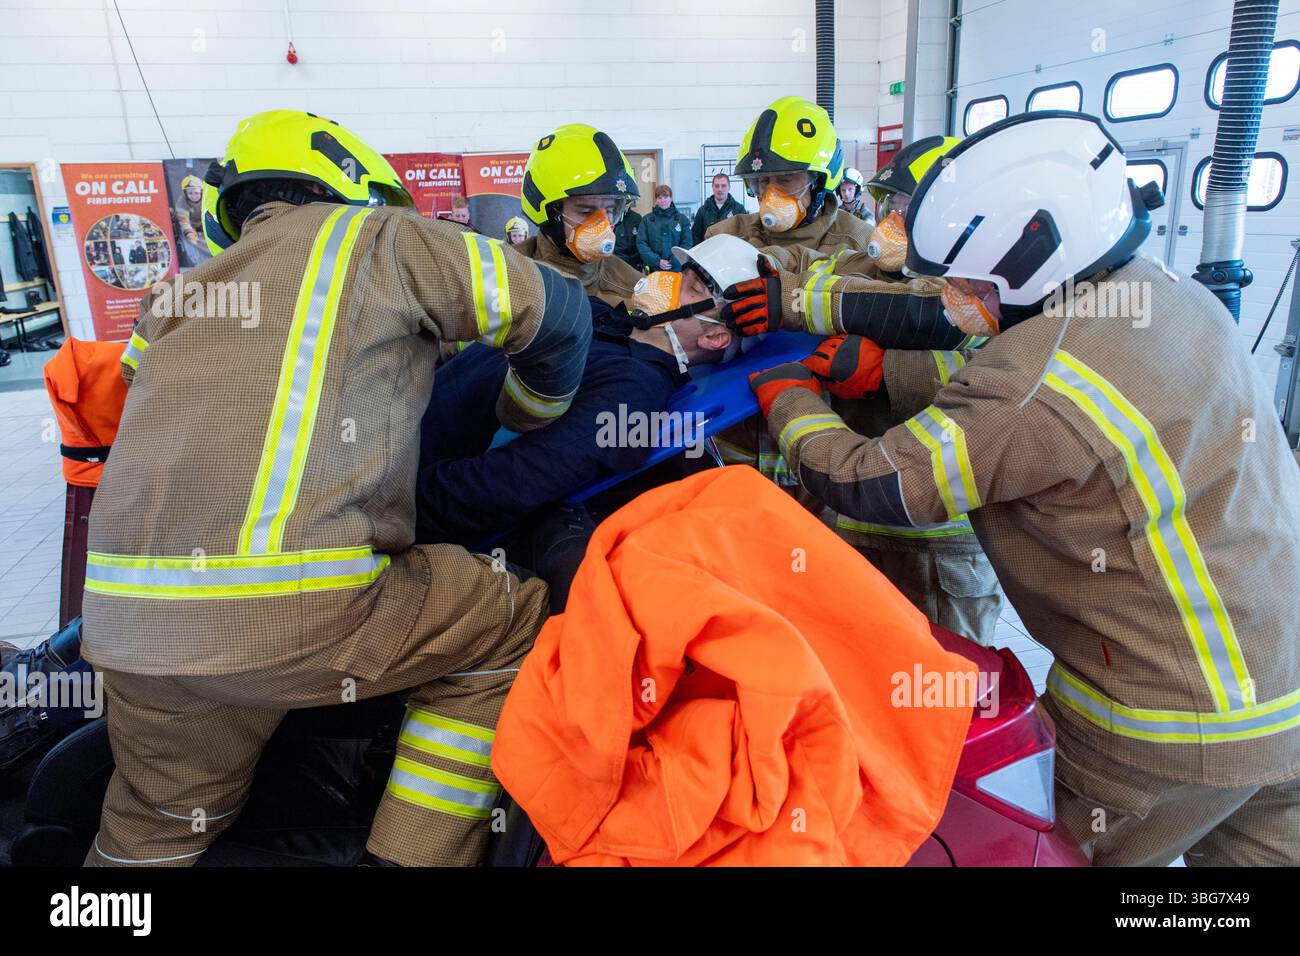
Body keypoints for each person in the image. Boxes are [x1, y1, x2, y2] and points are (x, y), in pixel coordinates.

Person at [735, 110, 1300, 867]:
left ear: (1035, 262)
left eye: (970, 283)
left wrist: (786, 398)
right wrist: (808, 310)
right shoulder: (1164, 292)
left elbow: (871, 483)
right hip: (1283, 689)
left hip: (1166, 724)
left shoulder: (1036, 373)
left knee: (1047, 854)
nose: (957, 298)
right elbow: (952, 326)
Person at [79, 109, 591, 868]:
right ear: (358, 186)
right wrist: (524, 412)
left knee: (161, 821)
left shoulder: (179, 296)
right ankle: (412, 854)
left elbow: (173, 399)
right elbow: (559, 313)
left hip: (128, 626)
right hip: (300, 608)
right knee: (508, 615)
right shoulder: (378, 236)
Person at [715, 135, 1004, 646]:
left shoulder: (995, 294)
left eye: (911, 210)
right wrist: (751, 267)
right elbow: (809, 266)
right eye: (890, 204)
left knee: (941, 682)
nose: (892, 221)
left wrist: (888, 371)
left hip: (937, 544)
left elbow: (995, 384)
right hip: (850, 520)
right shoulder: (867, 266)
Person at [417, 234, 758, 577]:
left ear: (713, 337)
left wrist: (397, 496)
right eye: (684, 273)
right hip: (394, 424)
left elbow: (505, 484)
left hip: (400, 477)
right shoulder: (601, 317)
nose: (667, 280)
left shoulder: (632, 396)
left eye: (695, 289)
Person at [707, 96, 871, 256]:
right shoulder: (728, 238)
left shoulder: (859, 242)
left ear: (819, 182)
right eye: (762, 181)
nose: (771, 195)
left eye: (786, 179)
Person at [514, 122, 646, 306]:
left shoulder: (634, 289)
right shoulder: (507, 280)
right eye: (586, 211)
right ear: (551, 213)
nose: (603, 224)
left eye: (609, 210)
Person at [636, 184, 693, 272]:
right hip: (654, 269)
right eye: (659, 198)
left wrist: (673, 261)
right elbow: (641, 243)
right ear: (656, 200)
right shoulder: (647, 220)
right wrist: (657, 261)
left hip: (677, 269)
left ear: (671, 198)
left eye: (666, 197)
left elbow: (687, 243)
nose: (663, 200)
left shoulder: (682, 219)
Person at [692, 172, 746, 244]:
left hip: (732, 252)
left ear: (729, 187)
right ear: (713, 188)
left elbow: (746, 234)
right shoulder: (703, 210)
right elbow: (696, 236)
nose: (720, 189)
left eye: (723, 186)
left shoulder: (739, 209)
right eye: (717, 186)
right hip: (709, 253)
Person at [613, 203, 643, 271]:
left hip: (635, 261)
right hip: (617, 260)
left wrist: (636, 258)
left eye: (627, 202)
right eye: (622, 202)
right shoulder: (613, 217)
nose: (625, 204)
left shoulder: (637, 218)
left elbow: (641, 240)